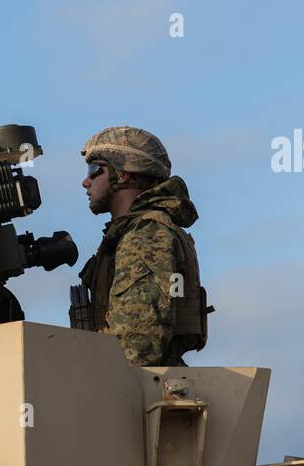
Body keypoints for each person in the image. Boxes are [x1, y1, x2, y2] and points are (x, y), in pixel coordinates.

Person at [69, 126, 209, 366]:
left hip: (135, 387)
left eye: (95, 171)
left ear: (123, 175)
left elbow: (138, 347)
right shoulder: (128, 233)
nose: (85, 182)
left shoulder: (146, 235)